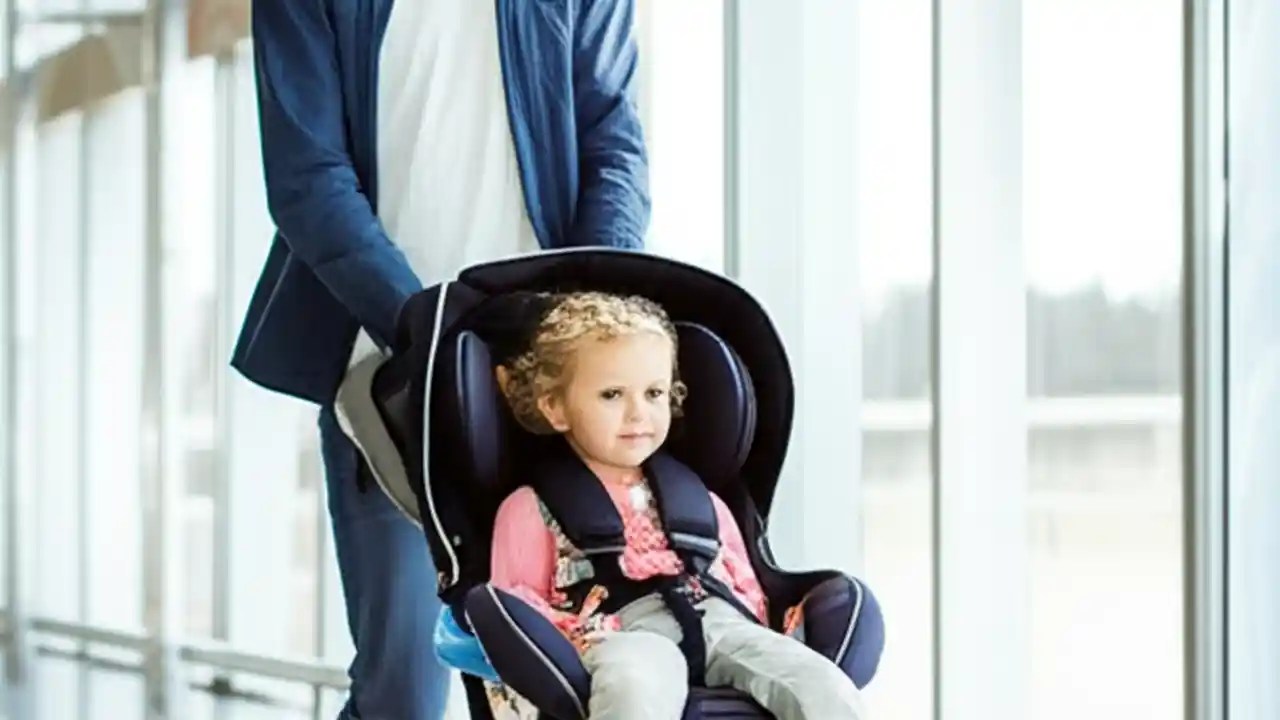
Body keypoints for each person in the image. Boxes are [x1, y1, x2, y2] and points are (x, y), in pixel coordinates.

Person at [230, 1, 650, 718]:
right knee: (402, 690)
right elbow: (307, 179)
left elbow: (615, 147)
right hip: (391, 379)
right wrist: (431, 335)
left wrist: (576, 329)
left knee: (576, 674)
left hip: (554, 377)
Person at [486, 292, 868, 720]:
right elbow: (515, 612)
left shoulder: (700, 502)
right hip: (618, 632)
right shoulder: (531, 508)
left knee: (818, 682)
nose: (638, 413)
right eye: (612, 394)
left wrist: (771, 625)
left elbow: (745, 581)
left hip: (721, 621)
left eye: (654, 393)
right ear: (555, 407)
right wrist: (569, 639)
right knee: (636, 686)